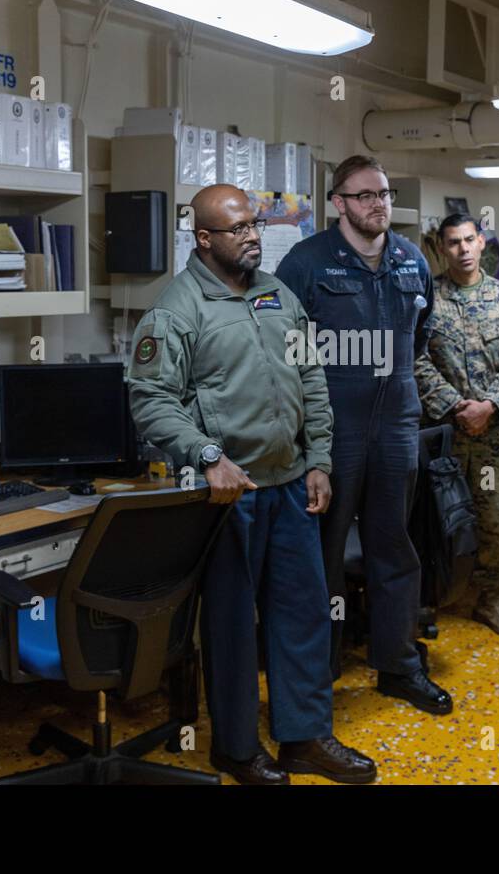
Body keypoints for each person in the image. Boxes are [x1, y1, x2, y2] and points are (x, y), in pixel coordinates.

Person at [127, 184, 375, 785]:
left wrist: (319, 458)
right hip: (228, 496)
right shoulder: (176, 309)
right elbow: (151, 400)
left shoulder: (277, 295)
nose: (253, 236)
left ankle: (305, 738)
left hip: (290, 485)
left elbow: (310, 378)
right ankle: (235, 748)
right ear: (204, 238)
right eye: (237, 228)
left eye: (255, 225)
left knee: (303, 616)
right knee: (233, 627)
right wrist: (207, 454)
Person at [276, 155, 452, 715]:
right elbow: (284, 353)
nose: (379, 203)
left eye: (385, 192)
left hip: (398, 424)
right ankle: (317, 672)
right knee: (323, 553)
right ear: (339, 203)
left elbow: (418, 338)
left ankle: (398, 666)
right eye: (365, 195)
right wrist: (309, 442)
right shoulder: (306, 263)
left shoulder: (409, 261)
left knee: (394, 547)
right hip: (333, 432)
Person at [413, 213, 499, 636]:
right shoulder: (427, 301)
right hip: (444, 436)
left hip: (491, 439)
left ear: (482, 243)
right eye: (453, 243)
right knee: (432, 516)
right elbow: (416, 359)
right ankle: (431, 598)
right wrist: (454, 405)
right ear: (442, 248)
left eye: (469, 240)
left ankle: (490, 599)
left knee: (492, 517)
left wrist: (488, 407)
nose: (462, 249)